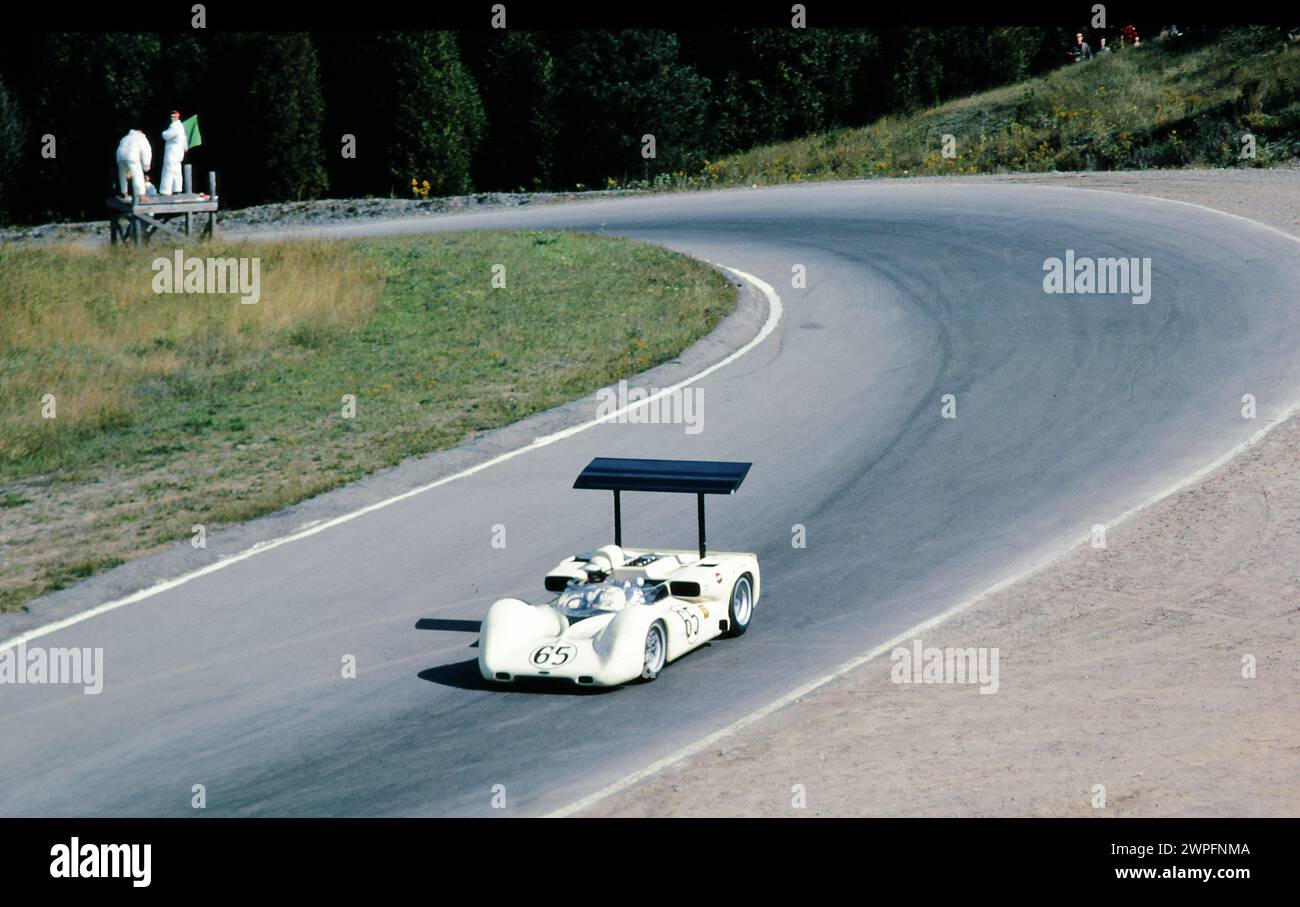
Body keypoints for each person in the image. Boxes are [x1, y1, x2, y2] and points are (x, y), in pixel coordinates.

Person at [115, 128, 152, 200]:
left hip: (120, 155)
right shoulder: (141, 138)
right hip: (132, 154)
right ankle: (142, 196)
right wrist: (146, 166)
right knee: (138, 174)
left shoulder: (125, 137)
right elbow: (146, 151)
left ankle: (124, 193)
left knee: (122, 175)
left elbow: (119, 147)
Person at [159, 110, 187, 196]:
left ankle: (165, 191)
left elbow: (166, 135)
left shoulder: (175, 126)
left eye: (174, 116)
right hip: (178, 153)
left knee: (168, 171)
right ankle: (177, 189)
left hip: (172, 153)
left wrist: (163, 133)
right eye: (171, 116)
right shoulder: (181, 127)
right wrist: (185, 147)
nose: (172, 118)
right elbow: (184, 140)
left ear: (178, 117)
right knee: (177, 171)